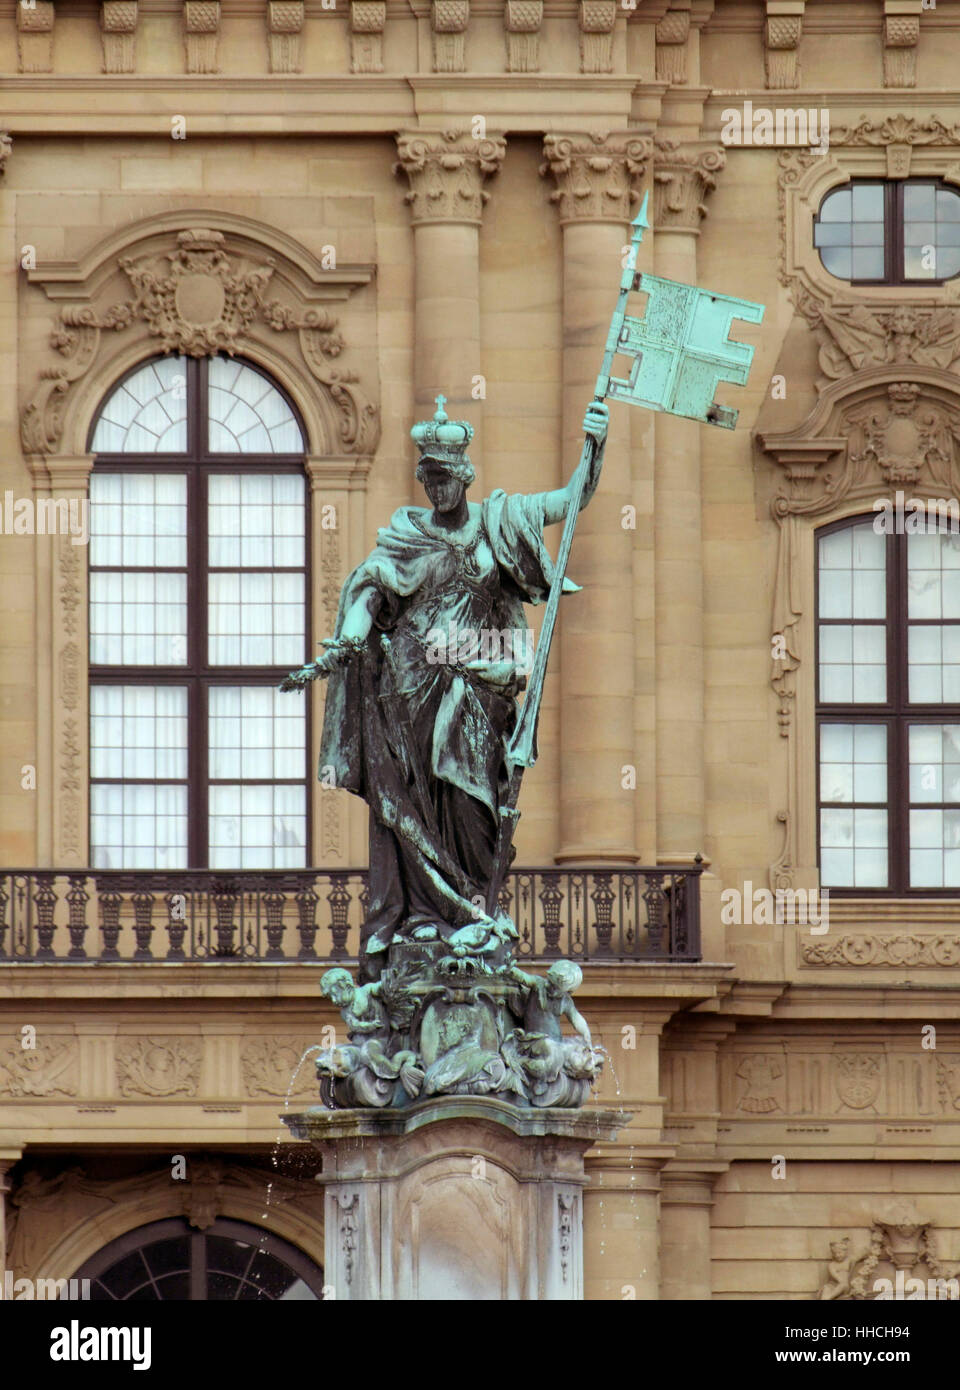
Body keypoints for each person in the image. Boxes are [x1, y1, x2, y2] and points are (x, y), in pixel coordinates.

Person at [282, 394, 608, 979]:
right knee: (414, 806)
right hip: (409, 694)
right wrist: (346, 644)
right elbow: (369, 592)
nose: (434, 489)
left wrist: (595, 444)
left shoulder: (501, 521)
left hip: (476, 688)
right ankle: (423, 919)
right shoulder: (405, 538)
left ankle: (473, 908)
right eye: (426, 478)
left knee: (471, 797)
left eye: (443, 478)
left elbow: (572, 499)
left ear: (464, 475)